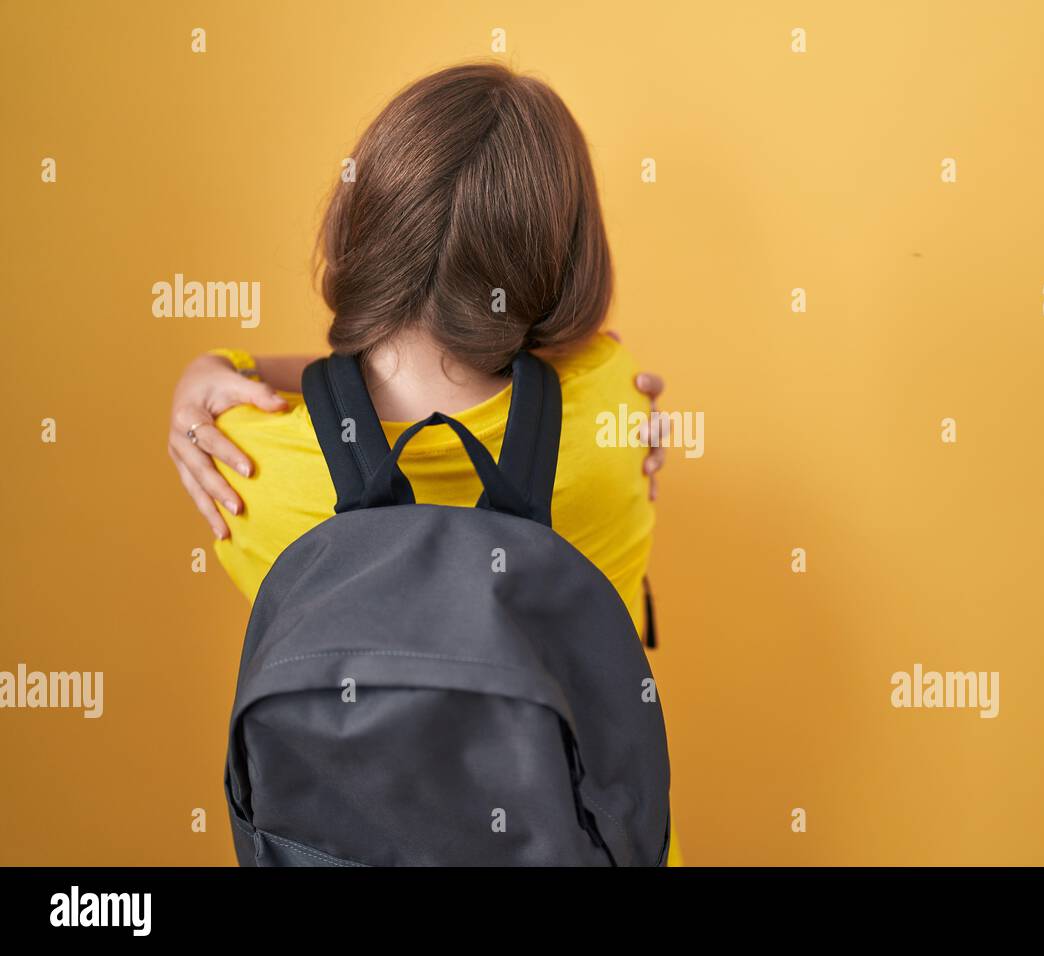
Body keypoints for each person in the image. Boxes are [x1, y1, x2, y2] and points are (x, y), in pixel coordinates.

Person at [164, 61, 681, 866]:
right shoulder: (614, 414)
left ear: (357, 225)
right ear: (570, 263)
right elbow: (552, 363)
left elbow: (369, 373)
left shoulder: (241, 454)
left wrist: (224, 364)